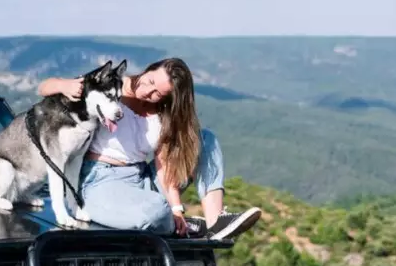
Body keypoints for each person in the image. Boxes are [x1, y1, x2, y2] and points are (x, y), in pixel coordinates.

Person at [37, 57, 261, 240]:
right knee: (154, 212)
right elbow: (44, 87)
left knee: (205, 140)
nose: (148, 91)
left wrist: (176, 209)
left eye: (158, 93)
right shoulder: (111, 87)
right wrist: (63, 85)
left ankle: (215, 224)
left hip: (141, 177)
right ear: (149, 69)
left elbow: (165, 166)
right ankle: (175, 225)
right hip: (99, 180)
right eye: (151, 80)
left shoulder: (162, 112)